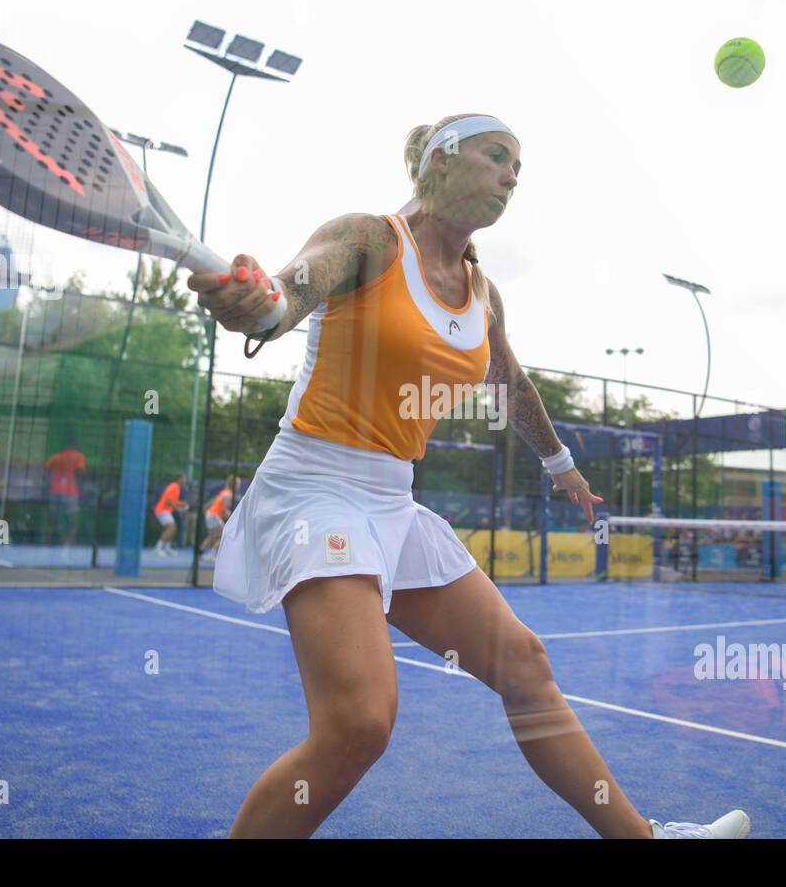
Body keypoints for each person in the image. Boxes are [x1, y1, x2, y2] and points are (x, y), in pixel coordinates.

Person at [187, 113, 749, 840]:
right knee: (358, 722)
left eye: (520, 167)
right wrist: (255, 303)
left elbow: (510, 382)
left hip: (393, 499)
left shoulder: (483, 293)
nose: (513, 175)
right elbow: (287, 294)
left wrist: (562, 466)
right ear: (442, 159)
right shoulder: (368, 237)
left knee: (524, 663)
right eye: (498, 157)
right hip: (313, 489)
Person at [43, 440, 86, 546]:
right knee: (74, 516)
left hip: (56, 490)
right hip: (70, 491)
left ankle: (48, 537)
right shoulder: (79, 456)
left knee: (53, 514)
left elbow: (46, 468)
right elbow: (80, 472)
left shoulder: (56, 456)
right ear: (76, 446)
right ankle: (71, 538)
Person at [199, 475, 236, 562]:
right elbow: (224, 509)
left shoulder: (225, 492)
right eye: (238, 484)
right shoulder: (229, 494)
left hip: (210, 514)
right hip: (214, 515)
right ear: (234, 485)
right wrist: (232, 516)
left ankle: (201, 552)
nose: (239, 486)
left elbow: (221, 507)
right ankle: (212, 555)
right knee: (224, 535)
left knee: (213, 536)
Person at [152, 473, 189, 557]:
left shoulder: (176, 487)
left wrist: (181, 503)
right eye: (184, 478)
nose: (185, 480)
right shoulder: (174, 487)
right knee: (171, 527)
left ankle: (167, 548)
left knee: (173, 528)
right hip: (162, 510)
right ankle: (158, 549)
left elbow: (172, 501)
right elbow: (168, 502)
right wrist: (179, 509)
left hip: (165, 511)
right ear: (179, 479)